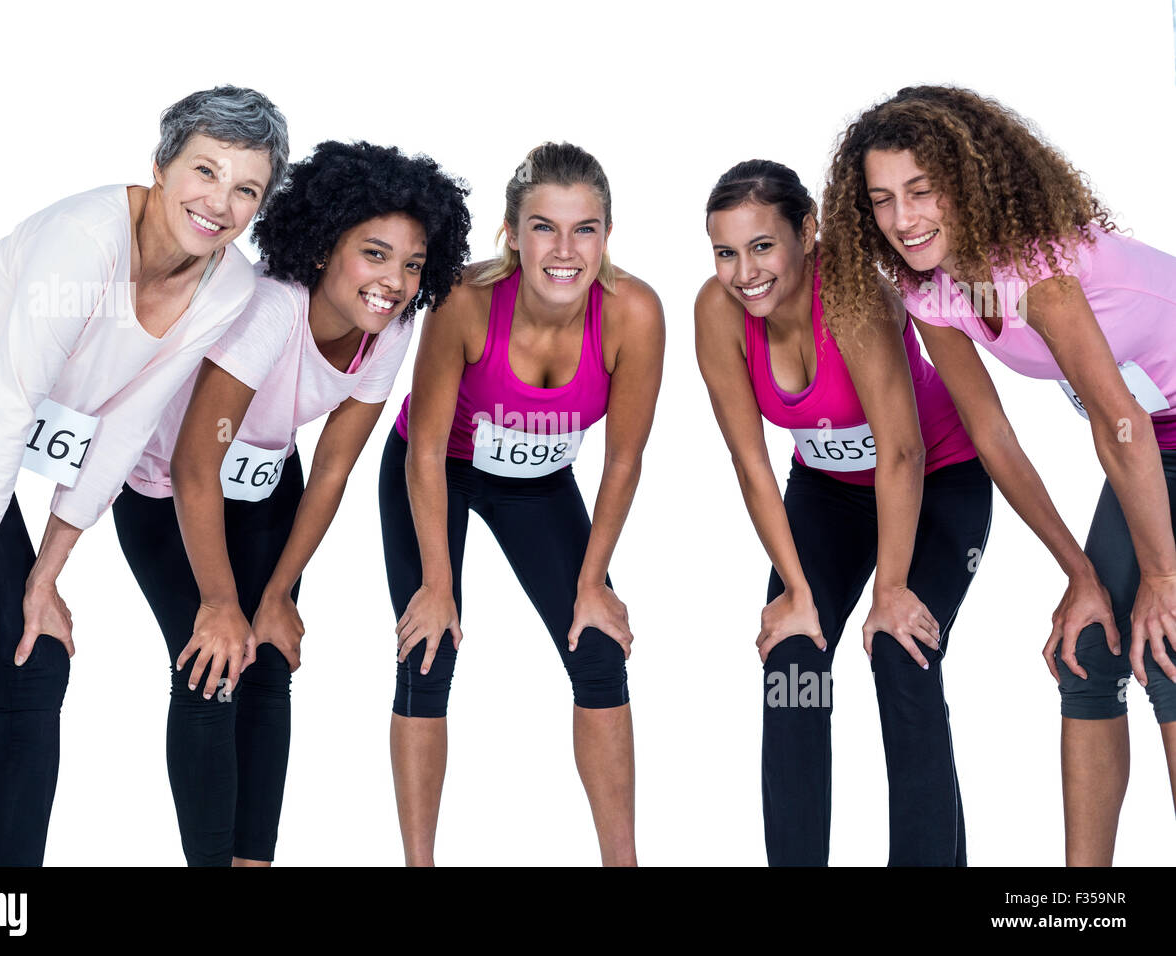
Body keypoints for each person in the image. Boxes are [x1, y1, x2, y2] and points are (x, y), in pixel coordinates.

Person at [0, 85, 288, 866]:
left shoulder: (225, 285)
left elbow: (126, 427)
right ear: (162, 165)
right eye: (205, 171)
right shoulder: (84, 237)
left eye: (246, 190)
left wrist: (44, 578)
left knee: (36, 672)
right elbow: (10, 403)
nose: (220, 203)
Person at [822, 84, 1176, 865]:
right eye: (882, 201)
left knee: (1166, 647)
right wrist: (1081, 575)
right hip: (1155, 439)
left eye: (922, 192)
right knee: (1090, 646)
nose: (903, 219)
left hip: (1146, 435)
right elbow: (993, 437)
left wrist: (1163, 577)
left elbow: (1121, 426)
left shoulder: (1041, 269)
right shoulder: (930, 289)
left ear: (969, 184)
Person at [113, 141, 471, 866]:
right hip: (166, 492)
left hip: (268, 485)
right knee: (211, 667)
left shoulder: (392, 326)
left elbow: (333, 468)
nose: (394, 282)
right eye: (374, 255)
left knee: (267, 658)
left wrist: (275, 593)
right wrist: (220, 600)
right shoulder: (272, 308)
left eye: (410, 264)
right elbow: (194, 464)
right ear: (320, 248)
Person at [695, 160, 990, 865]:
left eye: (762, 245)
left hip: (936, 483)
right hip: (827, 493)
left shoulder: (854, 297)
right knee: (792, 661)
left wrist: (890, 591)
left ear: (807, 232)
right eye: (726, 252)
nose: (745, 272)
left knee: (901, 653)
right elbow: (750, 461)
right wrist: (797, 593)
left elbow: (902, 453)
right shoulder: (717, 311)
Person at [381, 142, 664, 866]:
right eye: (544, 227)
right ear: (512, 233)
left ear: (607, 233)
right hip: (438, 468)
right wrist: (439, 588)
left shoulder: (633, 312)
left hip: (539, 484)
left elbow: (624, 458)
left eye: (585, 229)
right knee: (427, 651)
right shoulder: (466, 300)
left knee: (597, 649)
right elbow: (423, 450)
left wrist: (594, 582)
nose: (565, 250)